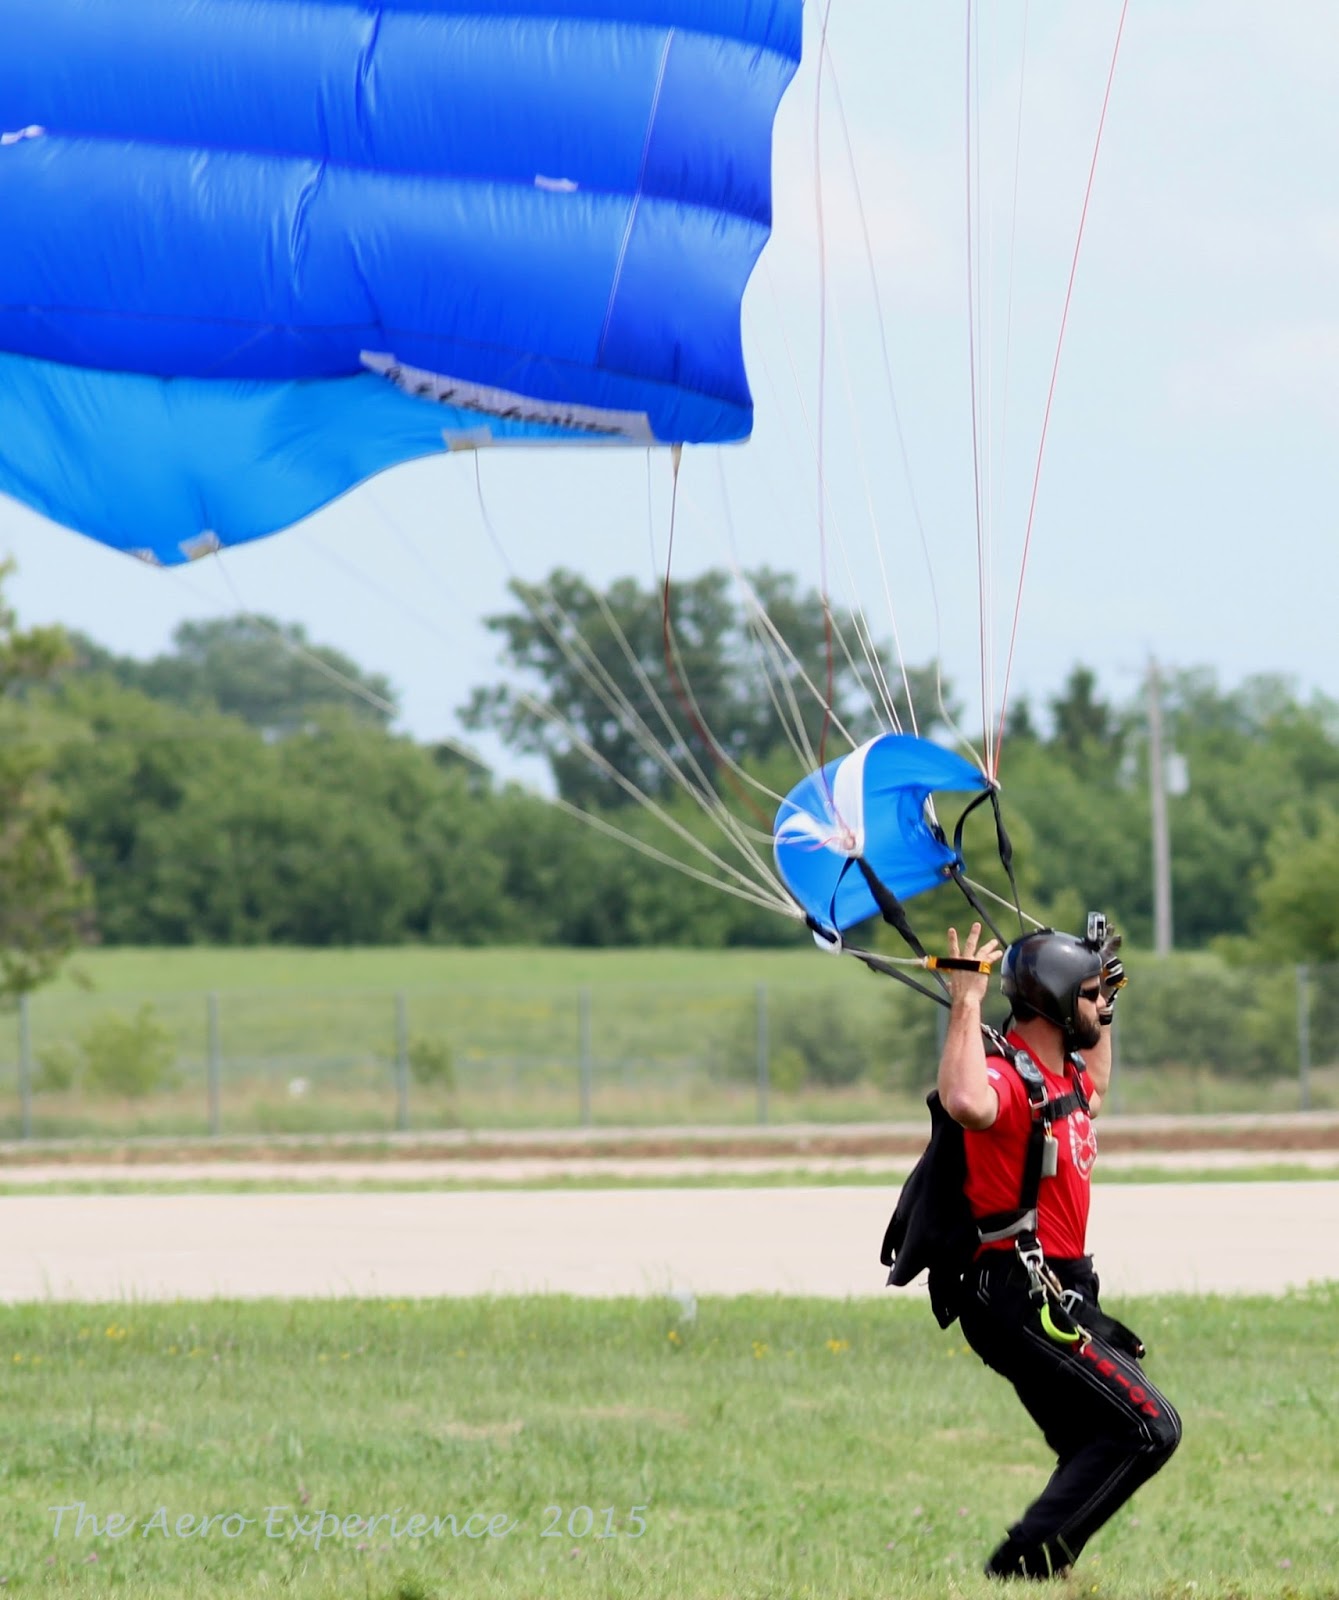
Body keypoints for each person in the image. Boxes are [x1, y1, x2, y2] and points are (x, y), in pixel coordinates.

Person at [937, 921, 1182, 1582]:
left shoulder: (1062, 1077)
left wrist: (1105, 988)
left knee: (1091, 1441)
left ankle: (1039, 1570)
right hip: (1017, 1293)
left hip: (1059, 1288)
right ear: (1049, 998)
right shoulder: (1004, 1080)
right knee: (1149, 1427)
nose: (1101, 1005)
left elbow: (1095, 1083)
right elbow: (962, 1101)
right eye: (1091, 993)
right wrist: (965, 1000)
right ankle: (1019, 1570)